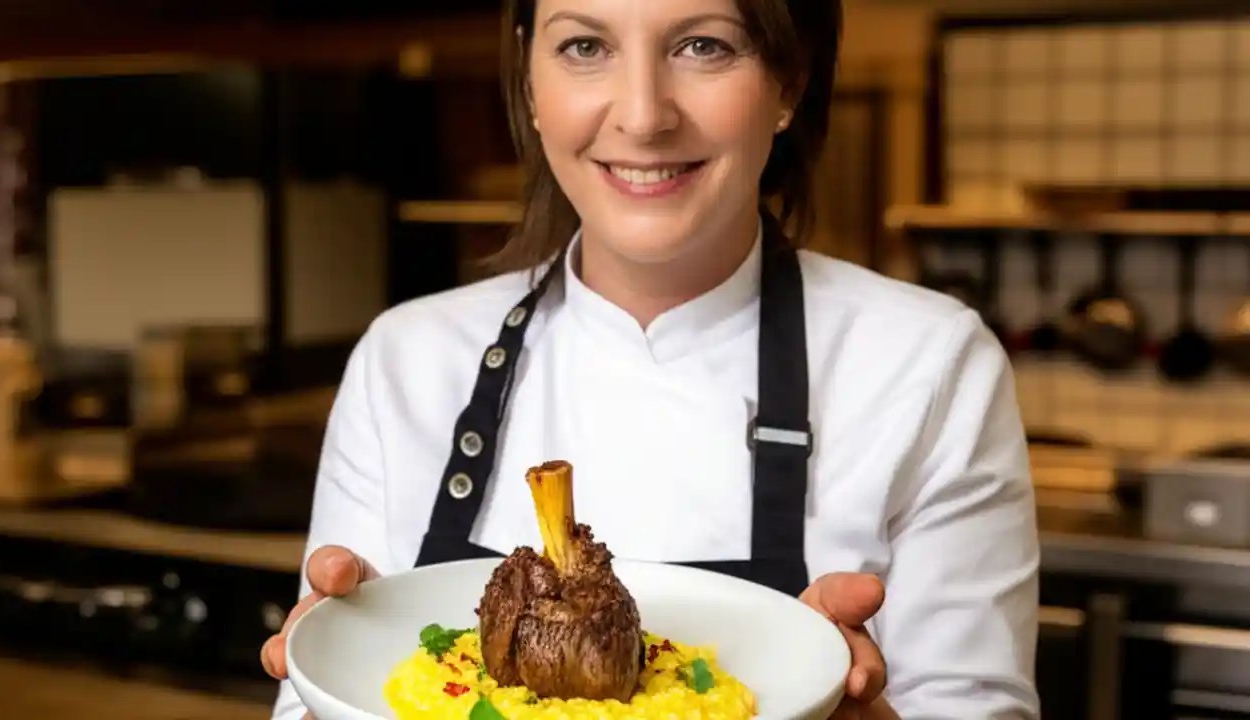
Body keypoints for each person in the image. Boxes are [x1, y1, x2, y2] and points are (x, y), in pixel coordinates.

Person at [262, 0, 1041, 717]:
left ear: (788, 81)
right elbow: (311, 703)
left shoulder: (930, 366)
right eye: (585, 45)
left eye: (704, 45)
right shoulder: (406, 359)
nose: (642, 116)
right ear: (531, 82)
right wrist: (327, 677)